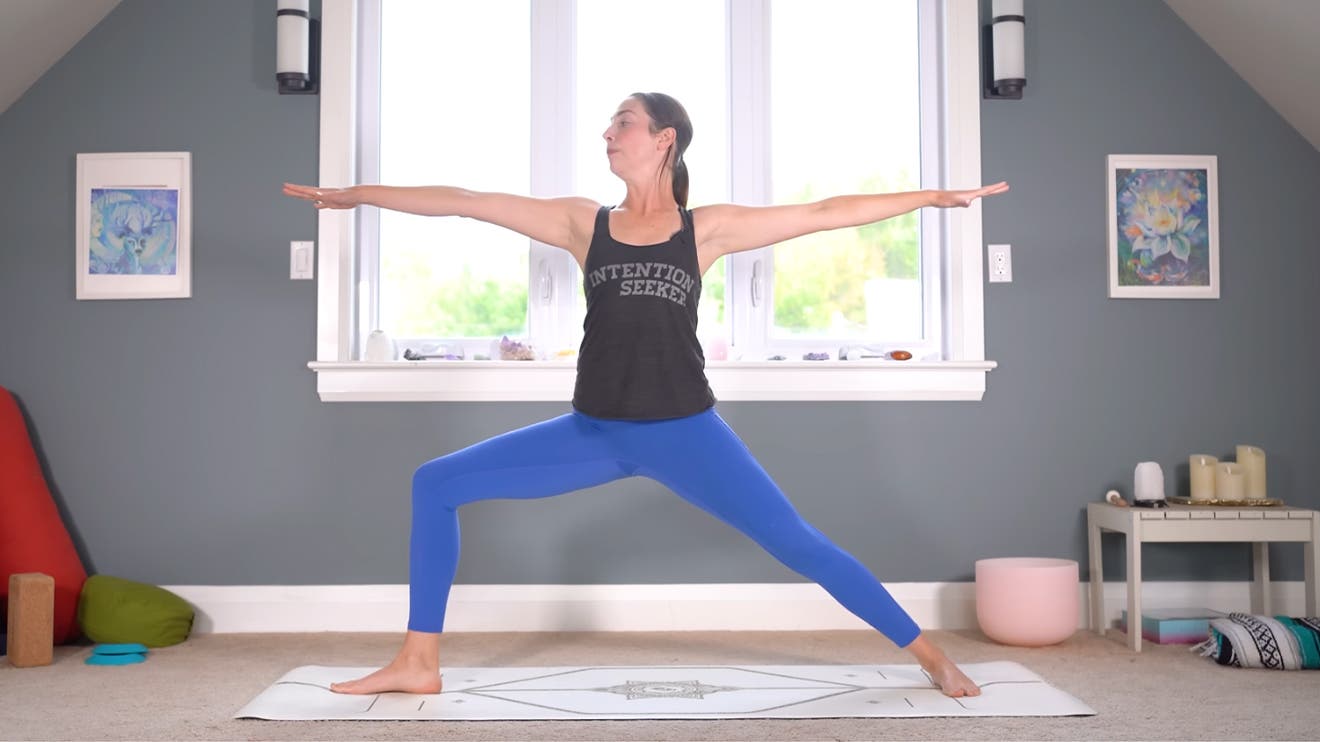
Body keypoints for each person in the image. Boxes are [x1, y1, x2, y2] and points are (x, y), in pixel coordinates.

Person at [284, 92, 1009, 699]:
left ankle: (931, 656)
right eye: (609, 124)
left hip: (685, 432)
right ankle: (418, 661)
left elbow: (825, 212)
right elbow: (468, 202)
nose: (607, 132)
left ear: (663, 140)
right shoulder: (582, 223)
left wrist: (930, 198)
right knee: (434, 483)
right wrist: (357, 196)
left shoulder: (705, 230)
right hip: (592, 432)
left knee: (800, 545)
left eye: (622, 121)